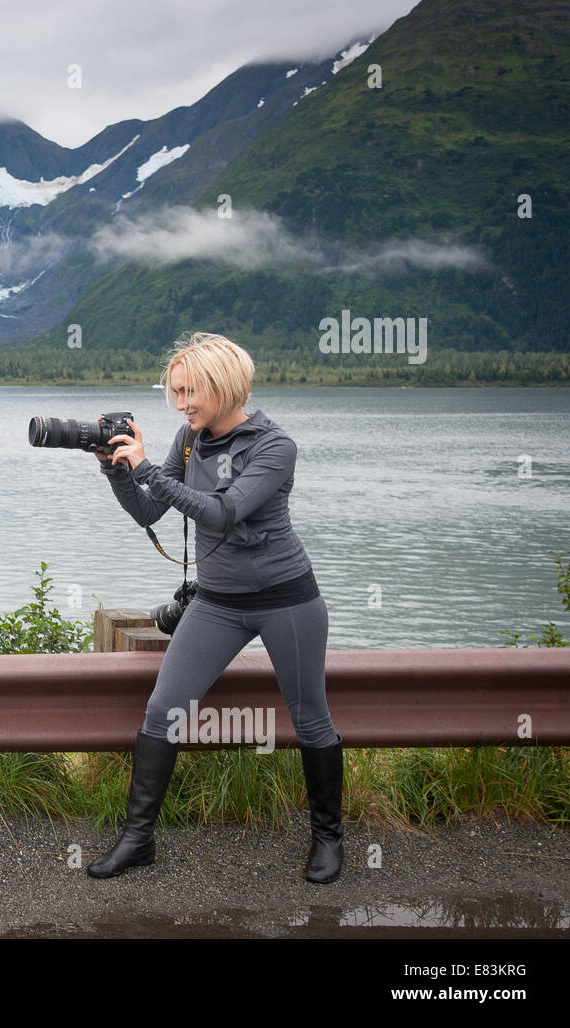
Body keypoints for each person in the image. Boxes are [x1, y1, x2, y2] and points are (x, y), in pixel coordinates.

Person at [88, 332, 343, 883]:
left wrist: (148, 467)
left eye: (189, 392)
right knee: (163, 711)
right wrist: (117, 469)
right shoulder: (188, 440)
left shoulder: (275, 447)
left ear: (221, 384)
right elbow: (150, 512)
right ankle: (138, 840)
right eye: (175, 393)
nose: (181, 405)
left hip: (287, 600)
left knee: (309, 718)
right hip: (218, 603)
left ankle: (328, 838)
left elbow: (223, 513)